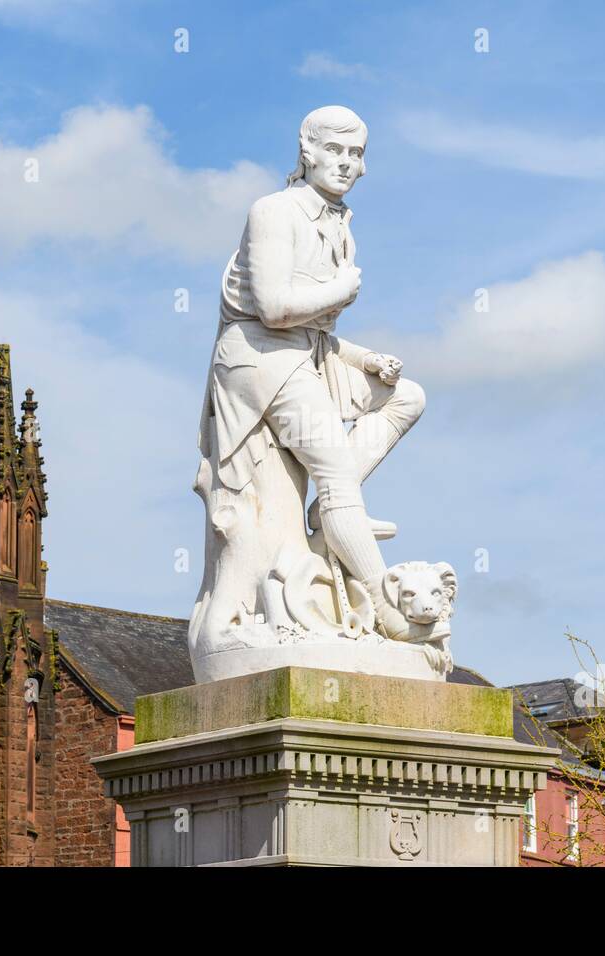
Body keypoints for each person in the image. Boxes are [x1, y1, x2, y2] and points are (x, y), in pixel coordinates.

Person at [197, 105, 425, 640]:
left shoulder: (342, 226)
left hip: (309, 352)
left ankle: (330, 510)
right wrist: (342, 290)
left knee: (405, 396)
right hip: (260, 359)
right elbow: (275, 309)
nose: (346, 164)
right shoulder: (274, 211)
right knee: (338, 470)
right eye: (334, 150)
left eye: (356, 153)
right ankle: (385, 604)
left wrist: (364, 359)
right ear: (308, 153)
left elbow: (315, 329)